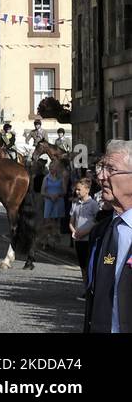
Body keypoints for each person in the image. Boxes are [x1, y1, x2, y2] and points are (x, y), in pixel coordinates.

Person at [83, 140, 132, 333]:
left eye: (111, 169)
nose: (101, 176)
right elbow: (92, 299)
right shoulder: (99, 232)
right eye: (101, 168)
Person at [71, 176, 98, 293]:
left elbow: (96, 221)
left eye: (79, 189)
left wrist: (84, 232)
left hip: (88, 239)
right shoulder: (75, 204)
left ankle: (92, 287)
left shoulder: (93, 204)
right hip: (78, 240)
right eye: (76, 189)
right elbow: (71, 221)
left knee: (90, 265)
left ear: (87, 190)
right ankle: (85, 288)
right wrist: (74, 231)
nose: (77, 192)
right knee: (82, 266)